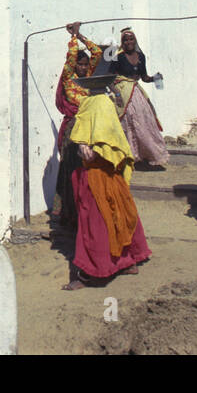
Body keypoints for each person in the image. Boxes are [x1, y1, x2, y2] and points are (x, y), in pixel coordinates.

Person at [63, 87, 151, 290]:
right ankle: (128, 262)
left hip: (95, 181)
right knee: (120, 218)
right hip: (114, 181)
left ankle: (90, 273)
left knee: (95, 226)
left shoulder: (94, 114)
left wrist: (82, 146)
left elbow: (89, 156)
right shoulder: (111, 122)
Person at [51, 22, 102, 224]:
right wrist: (72, 37)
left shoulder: (88, 79)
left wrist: (80, 35)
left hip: (87, 129)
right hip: (72, 130)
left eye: (85, 64)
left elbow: (97, 52)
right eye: (80, 64)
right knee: (70, 169)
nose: (82, 67)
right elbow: (71, 57)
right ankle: (67, 213)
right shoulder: (69, 79)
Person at [109, 28, 169, 168]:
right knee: (128, 122)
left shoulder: (141, 56)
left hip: (136, 92)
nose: (129, 42)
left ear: (135, 41)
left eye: (131, 39)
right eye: (126, 40)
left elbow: (144, 77)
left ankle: (145, 155)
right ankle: (129, 156)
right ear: (122, 42)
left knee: (144, 122)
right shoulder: (118, 57)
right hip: (124, 93)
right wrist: (117, 94)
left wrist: (155, 78)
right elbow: (109, 78)